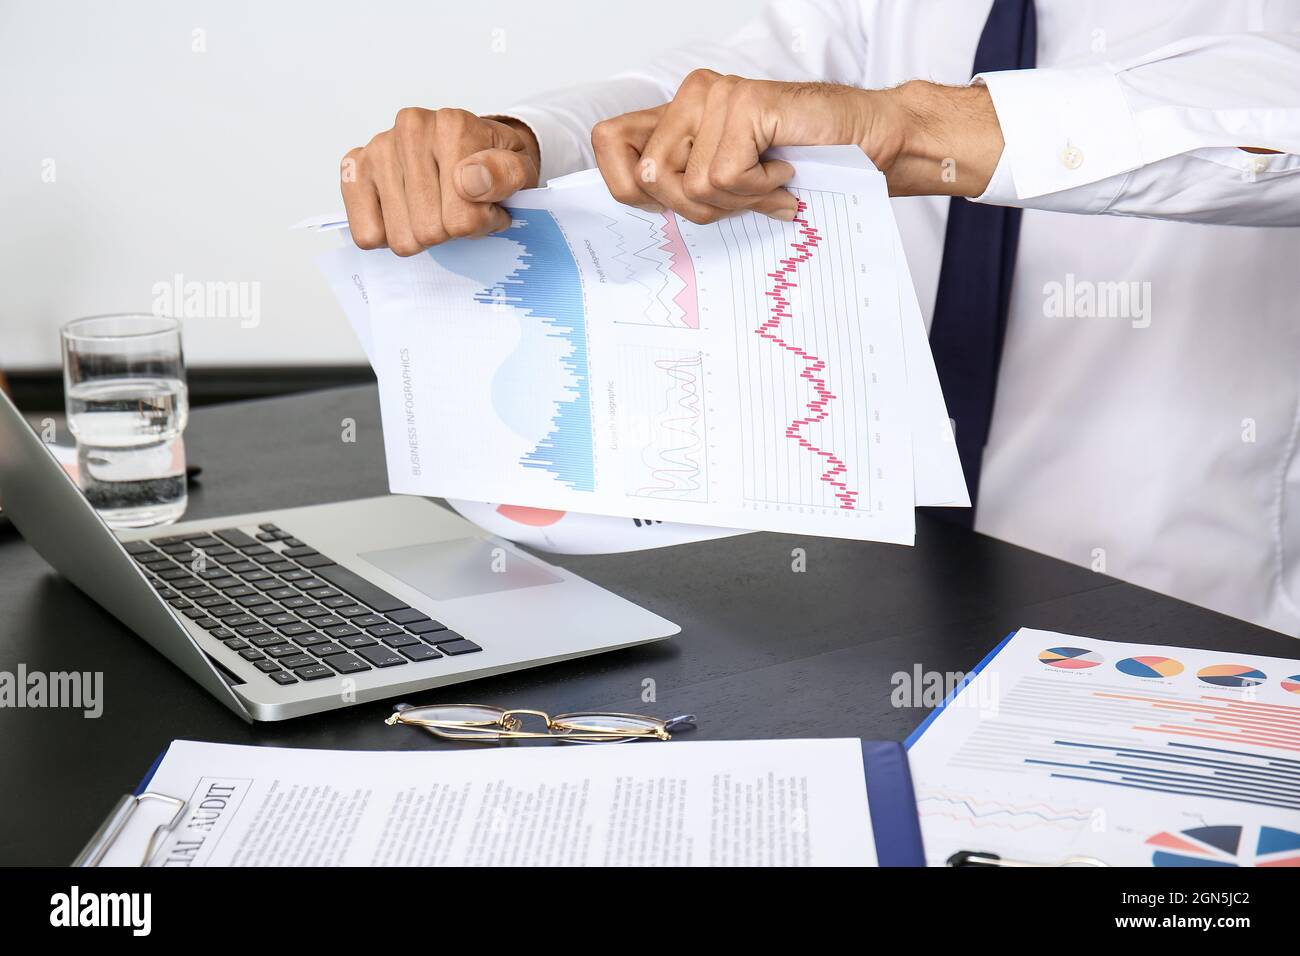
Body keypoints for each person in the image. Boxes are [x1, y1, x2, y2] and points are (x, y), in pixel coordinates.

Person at [339, 0, 1300, 636]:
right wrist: (528, 141)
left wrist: (914, 126)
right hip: (872, 607)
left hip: (1191, 623)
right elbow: (738, 75)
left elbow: (1268, 97)